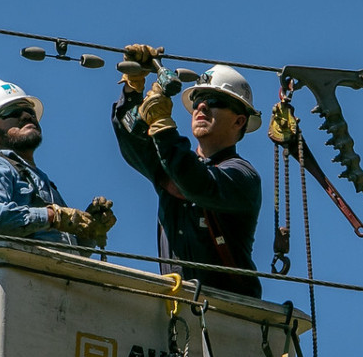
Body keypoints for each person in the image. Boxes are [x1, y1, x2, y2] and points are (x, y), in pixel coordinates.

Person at [112, 46, 262, 297]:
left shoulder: (242, 175)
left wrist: (162, 125)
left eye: (214, 102)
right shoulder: (175, 163)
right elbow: (135, 144)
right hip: (177, 305)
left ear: (239, 121)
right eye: (196, 100)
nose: (201, 107)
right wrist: (133, 90)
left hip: (230, 315)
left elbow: (196, 183)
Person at [0, 79, 115, 249]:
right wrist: (52, 216)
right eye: (13, 112)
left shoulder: (42, 180)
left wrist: (89, 229)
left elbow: (62, 251)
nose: (26, 116)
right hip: (17, 273)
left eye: (30, 111)